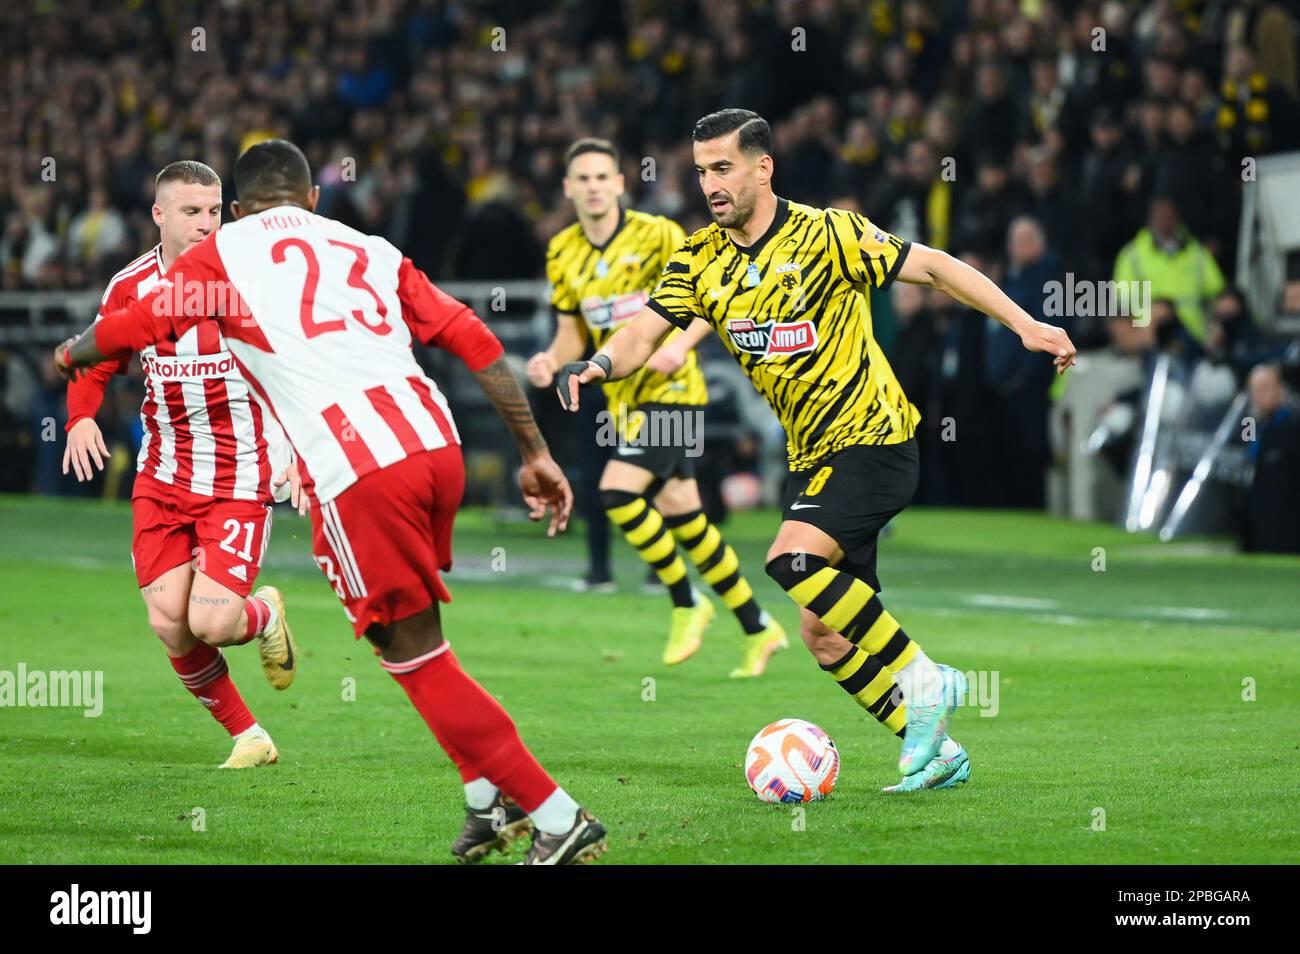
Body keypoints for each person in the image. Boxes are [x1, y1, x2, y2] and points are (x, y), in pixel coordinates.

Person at [55, 139, 605, 865]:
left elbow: (138, 325)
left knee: (415, 658)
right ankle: (486, 802)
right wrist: (535, 451)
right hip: (434, 444)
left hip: (358, 467)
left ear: (239, 212)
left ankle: (559, 816)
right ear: (313, 199)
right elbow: (471, 336)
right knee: (424, 638)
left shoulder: (223, 258)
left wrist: (73, 354)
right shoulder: (368, 246)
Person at [557, 110, 1076, 791]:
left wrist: (1026, 324)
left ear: (762, 167)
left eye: (723, 168)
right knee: (823, 633)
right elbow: (641, 334)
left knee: (789, 559)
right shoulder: (699, 259)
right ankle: (941, 757)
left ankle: (926, 679)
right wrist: (597, 365)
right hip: (814, 457)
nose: (710, 184)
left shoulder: (828, 233)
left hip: (874, 438)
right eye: (701, 171)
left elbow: (939, 268)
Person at [63, 160, 299, 770]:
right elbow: (96, 359)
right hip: (163, 477)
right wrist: (81, 417)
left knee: (213, 622)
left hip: (239, 478)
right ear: (159, 214)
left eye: (215, 211)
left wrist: (298, 454)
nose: (205, 224)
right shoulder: (129, 286)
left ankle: (265, 613)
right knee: (172, 624)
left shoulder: (250, 281)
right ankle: (250, 737)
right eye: (191, 212)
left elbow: (293, 371)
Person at [528, 138, 786, 676]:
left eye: (604, 177)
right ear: (569, 188)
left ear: (620, 184)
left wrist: (679, 345)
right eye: (584, 179)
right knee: (686, 520)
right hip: (623, 401)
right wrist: (550, 360)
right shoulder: (562, 251)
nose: (595, 187)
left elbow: (705, 297)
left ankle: (687, 603)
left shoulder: (658, 234)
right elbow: (573, 332)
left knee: (616, 493)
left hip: (673, 395)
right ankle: (759, 626)